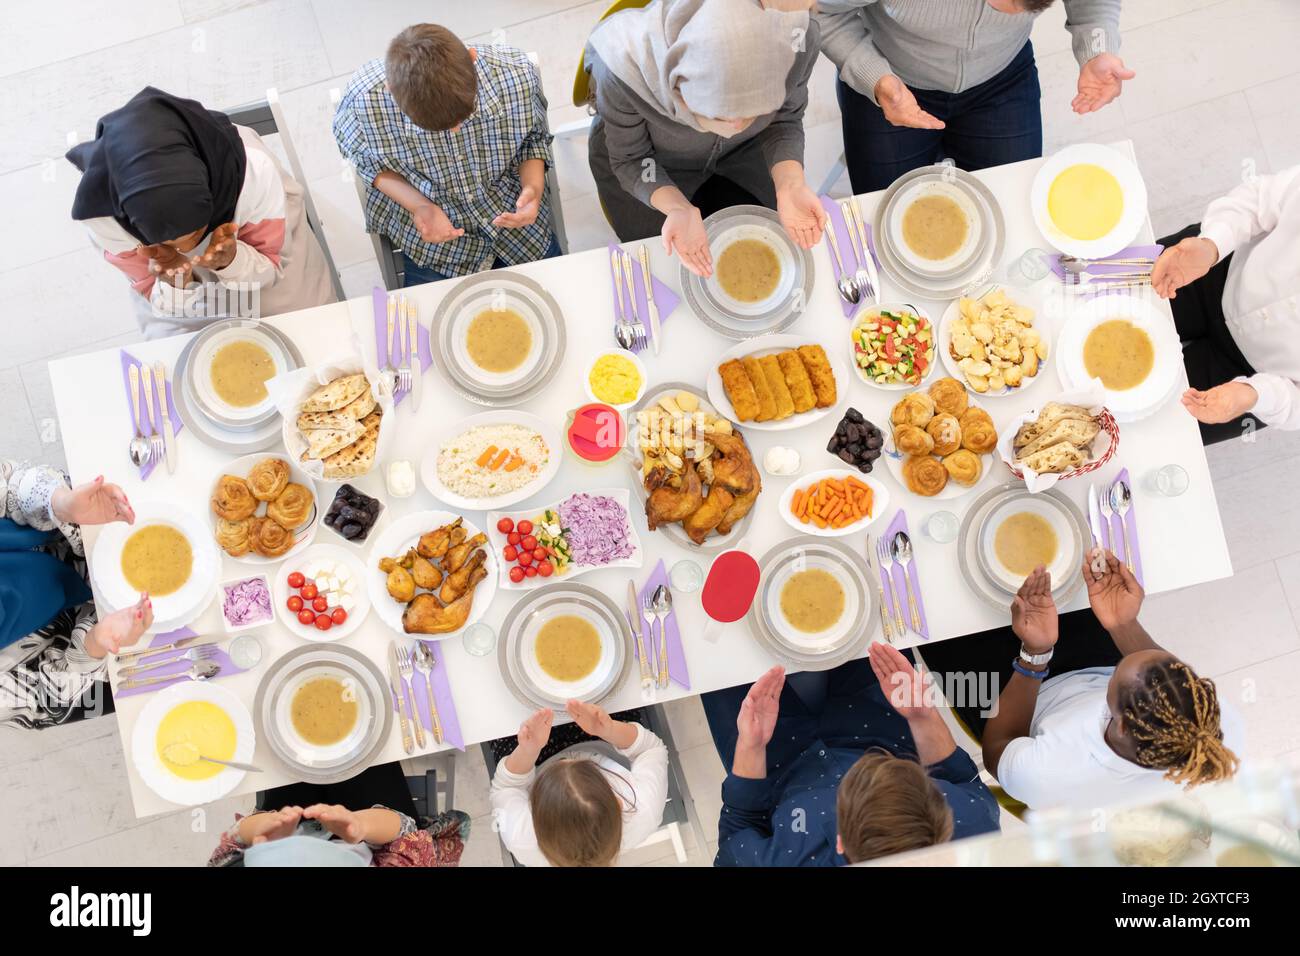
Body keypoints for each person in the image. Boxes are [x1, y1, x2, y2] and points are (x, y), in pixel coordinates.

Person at [920, 552, 1242, 812]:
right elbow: (1158, 671)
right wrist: (1122, 625)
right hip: (1095, 661)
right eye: (1176, 670)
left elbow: (999, 746)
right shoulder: (1211, 723)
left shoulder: (1050, 776)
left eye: (1118, 676)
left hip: (1008, 704)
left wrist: (1035, 656)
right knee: (1055, 558)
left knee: (934, 609)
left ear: (1120, 725)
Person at [68, 87, 336, 339]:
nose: (187, 249)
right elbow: (151, 291)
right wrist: (174, 284)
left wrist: (232, 261)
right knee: (178, 362)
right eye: (168, 242)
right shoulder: (104, 218)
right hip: (169, 288)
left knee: (307, 335)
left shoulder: (251, 173)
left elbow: (273, 264)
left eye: (197, 234)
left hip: (266, 261)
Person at [584, 0, 827, 276]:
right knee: (665, 270)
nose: (737, 126)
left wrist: (790, 184)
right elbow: (633, 159)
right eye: (719, 117)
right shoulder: (622, 70)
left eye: (756, 112)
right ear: (678, 88)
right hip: (651, 164)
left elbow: (784, 120)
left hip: (746, 154)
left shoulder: (798, 42)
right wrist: (678, 208)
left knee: (768, 246)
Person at [703, 652, 999, 867]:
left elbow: (737, 828)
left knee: (708, 637)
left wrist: (751, 746)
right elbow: (959, 777)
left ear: (841, 841)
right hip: (883, 721)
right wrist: (922, 716)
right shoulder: (973, 828)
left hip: (771, 758)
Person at [814, 0, 1131, 193]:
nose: (1006, 12)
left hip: (1002, 79)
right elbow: (819, 11)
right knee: (883, 213)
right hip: (891, 80)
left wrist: (1097, 47)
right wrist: (874, 76)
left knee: (1011, 203)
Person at [333, 24, 560, 287]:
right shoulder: (363, 103)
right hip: (440, 250)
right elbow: (367, 165)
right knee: (430, 325)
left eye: (465, 116)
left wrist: (532, 187)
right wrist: (419, 205)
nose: (455, 129)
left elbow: (534, 139)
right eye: (432, 126)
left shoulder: (515, 75)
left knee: (563, 302)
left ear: (473, 59)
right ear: (390, 91)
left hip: (518, 230)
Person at [1150, 165, 1300, 444]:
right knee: (1093, 296)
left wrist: (1253, 395)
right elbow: (1260, 202)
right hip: (1212, 269)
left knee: (1142, 427)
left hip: (1248, 379)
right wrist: (1212, 244)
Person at [0, 462, 150, 728]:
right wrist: (95, 642)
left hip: (88, 519)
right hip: (105, 629)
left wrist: (59, 502)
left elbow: (10, 481)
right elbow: (45, 701)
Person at [489, 700, 669, 866]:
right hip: (603, 740)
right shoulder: (643, 811)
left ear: (536, 821)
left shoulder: (521, 838)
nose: (568, 759)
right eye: (591, 771)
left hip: (534, 762)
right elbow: (650, 749)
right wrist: (609, 730)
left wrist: (529, 750)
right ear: (617, 802)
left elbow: (506, 787)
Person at [208, 763, 469, 867]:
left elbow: (230, 848)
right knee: (360, 754)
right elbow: (409, 836)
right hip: (376, 841)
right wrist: (360, 826)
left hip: (283, 834)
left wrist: (262, 831)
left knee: (291, 754)